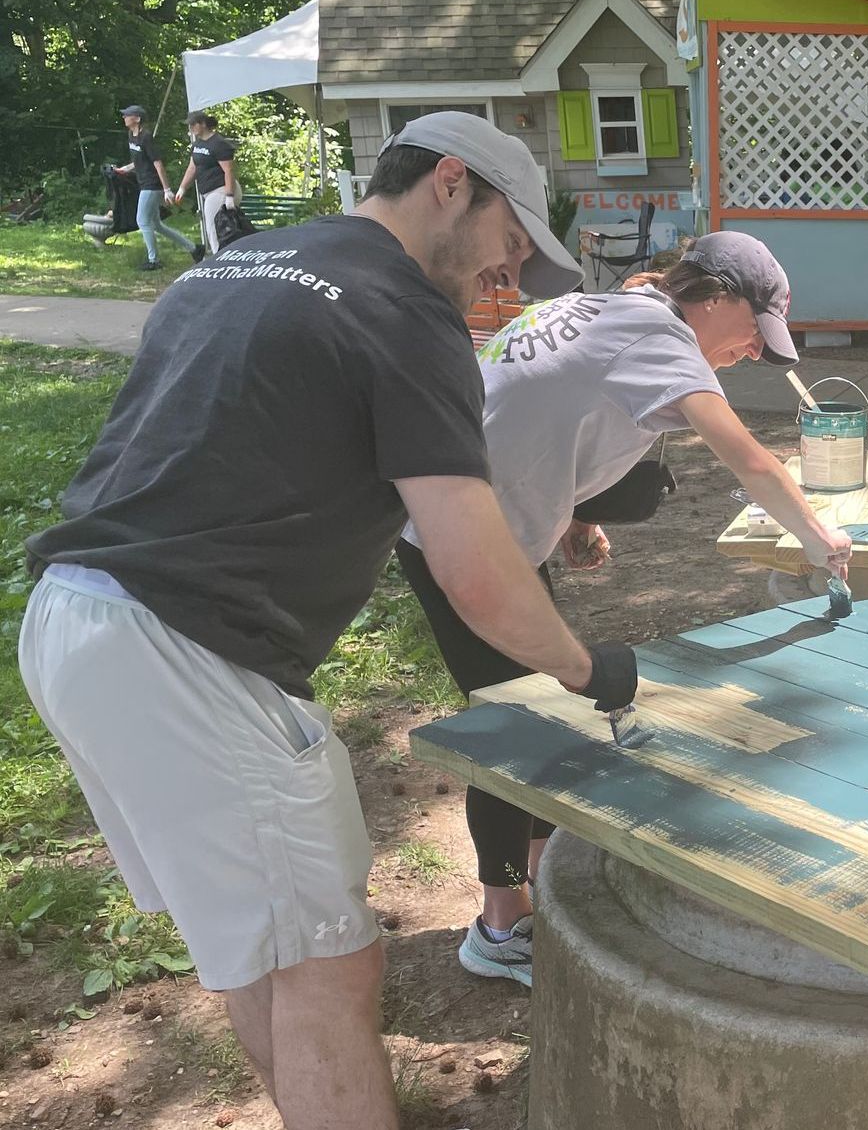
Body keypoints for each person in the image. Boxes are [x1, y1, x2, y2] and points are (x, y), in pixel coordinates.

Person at [17, 112, 624, 1130]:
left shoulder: (244, 261)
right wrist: (584, 666)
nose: (504, 277)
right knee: (333, 963)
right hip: (189, 654)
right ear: (448, 184)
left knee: (264, 952)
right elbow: (473, 567)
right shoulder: (402, 308)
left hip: (72, 618)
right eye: (509, 244)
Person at [395, 231, 855, 986]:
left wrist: (574, 515)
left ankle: (542, 886)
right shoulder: (658, 336)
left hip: (482, 526)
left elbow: (544, 414)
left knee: (538, 712)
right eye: (751, 332)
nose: (752, 352)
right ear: (713, 297)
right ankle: (500, 926)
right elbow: (749, 457)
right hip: (460, 539)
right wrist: (818, 538)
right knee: (514, 723)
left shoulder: (610, 307)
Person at [114, 104, 202, 270]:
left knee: (142, 221)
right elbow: (140, 160)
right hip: (144, 183)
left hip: (152, 185)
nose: (124, 117)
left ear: (137, 119)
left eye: (128, 115)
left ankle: (153, 260)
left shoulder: (146, 137)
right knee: (157, 225)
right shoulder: (131, 136)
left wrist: (167, 189)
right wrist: (125, 169)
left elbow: (158, 164)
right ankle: (194, 248)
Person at [173, 111, 238, 256]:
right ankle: (226, 254)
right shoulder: (197, 144)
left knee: (212, 227)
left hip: (221, 189)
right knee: (217, 226)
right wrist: (182, 188)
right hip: (208, 191)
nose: (190, 128)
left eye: (193, 124)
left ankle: (218, 257)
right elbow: (192, 167)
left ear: (203, 124)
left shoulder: (219, 144)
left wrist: (229, 196)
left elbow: (228, 171)